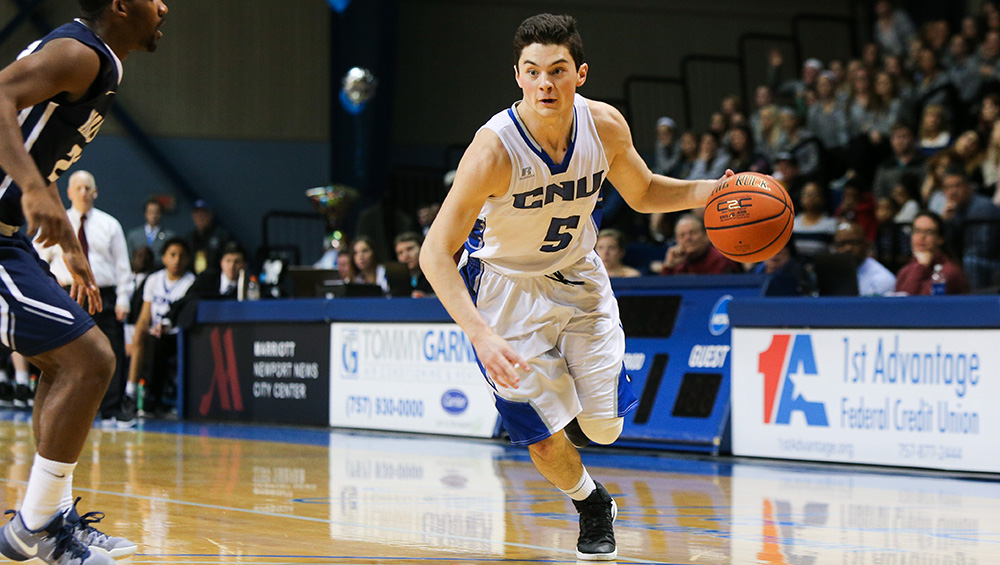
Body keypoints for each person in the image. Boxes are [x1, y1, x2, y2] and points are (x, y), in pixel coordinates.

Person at [420, 15, 729, 559]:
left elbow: (644, 192)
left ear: (579, 74)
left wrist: (709, 191)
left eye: (557, 70)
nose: (545, 83)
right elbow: (433, 253)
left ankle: (574, 404)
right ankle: (591, 502)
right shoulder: (492, 151)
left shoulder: (604, 125)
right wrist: (480, 335)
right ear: (518, 76)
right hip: (505, 291)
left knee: (605, 429)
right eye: (533, 71)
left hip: (578, 274)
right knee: (541, 439)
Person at [0, 1, 167, 563]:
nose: (163, 5)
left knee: (67, 362)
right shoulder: (79, 53)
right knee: (91, 360)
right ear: (119, 5)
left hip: (10, 235)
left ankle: (47, 517)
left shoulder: (95, 59)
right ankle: (35, 527)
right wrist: (31, 189)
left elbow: (35, 149)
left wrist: (71, 245)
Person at [34, 170, 133, 427]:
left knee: (110, 351)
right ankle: (65, 409)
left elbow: (123, 267)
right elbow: (38, 259)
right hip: (65, 295)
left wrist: (123, 299)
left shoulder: (110, 225)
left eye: (88, 188)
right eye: (78, 188)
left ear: (95, 192)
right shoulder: (56, 221)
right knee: (65, 353)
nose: (83, 193)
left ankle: (111, 410)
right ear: (68, 192)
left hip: (103, 294)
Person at [127, 237, 194, 417]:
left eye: (181, 256)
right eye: (172, 255)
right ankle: (130, 392)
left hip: (176, 335)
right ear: (163, 258)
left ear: (188, 259)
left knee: (156, 344)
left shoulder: (190, 282)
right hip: (153, 333)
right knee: (140, 337)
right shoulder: (154, 279)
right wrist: (137, 335)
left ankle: (152, 398)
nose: (177, 260)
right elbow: (144, 316)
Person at [895, 210, 970, 295]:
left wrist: (920, 267)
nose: (921, 237)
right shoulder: (905, 271)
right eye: (917, 231)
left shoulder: (949, 272)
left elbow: (915, 300)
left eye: (929, 232)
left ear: (940, 239)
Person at [660, 214, 742, 275]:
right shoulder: (678, 263)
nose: (687, 238)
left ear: (706, 236)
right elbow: (664, 291)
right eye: (682, 235)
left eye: (692, 233)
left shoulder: (721, 260)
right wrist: (669, 266)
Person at [833, 221, 897, 296]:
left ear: (867, 245)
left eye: (854, 243)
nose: (848, 248)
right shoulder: (827, 275)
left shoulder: (883, 279)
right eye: (841, 244)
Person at [125, 197, 174, 267]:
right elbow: (128, 257)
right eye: (150, 212)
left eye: (157, 212)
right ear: (146, 214)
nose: (154, 215)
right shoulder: (133, 235)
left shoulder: (169, 236)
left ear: (161, 214)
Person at [187, 199, 232, 275]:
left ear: (210, 215)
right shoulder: (189, 238)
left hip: (216, 277)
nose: (200, 217)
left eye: (203, 214)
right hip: (192, 277)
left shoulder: (222, 236)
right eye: (197, 214)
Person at [393, 232, 434, 297]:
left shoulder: (435, 274)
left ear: (422, 248)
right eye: (400, 253)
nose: (405, 256)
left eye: (410, 249)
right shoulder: (397, 281)